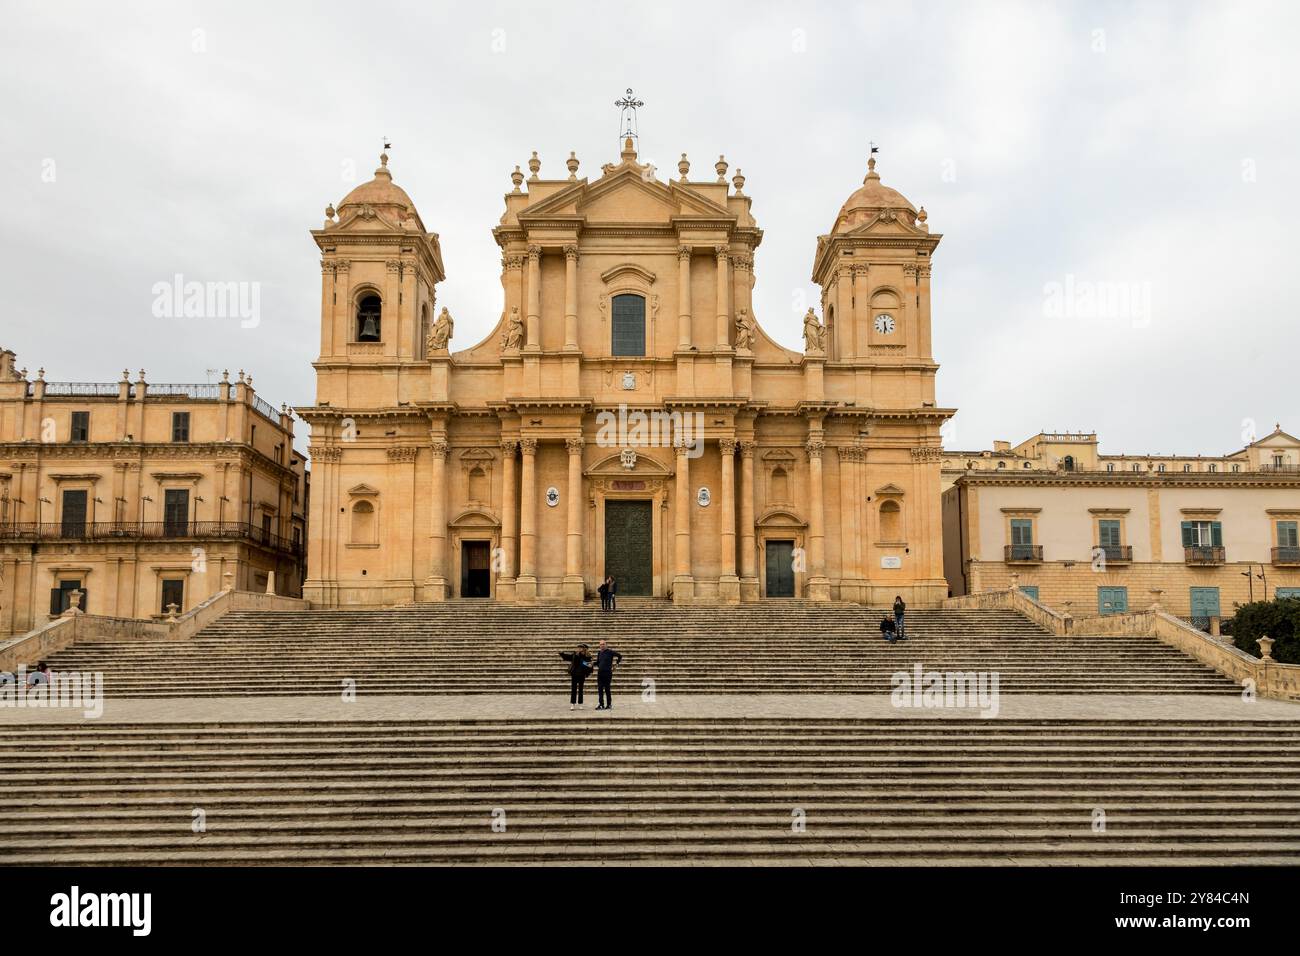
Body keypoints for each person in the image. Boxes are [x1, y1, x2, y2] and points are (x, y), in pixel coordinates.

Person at [559, 643, 593, 710]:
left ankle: (580, 704)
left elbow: (590, 665)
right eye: (579, 647)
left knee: (580, 690)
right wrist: (562, 654)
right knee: (573, 689)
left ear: (584, 648)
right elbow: (569, 657)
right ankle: (572, 704)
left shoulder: (588, 656)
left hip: (582, 675)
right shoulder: (575, 654)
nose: (579, 648)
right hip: (574, 674)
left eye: (581, 647)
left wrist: (589, 669)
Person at [593, 639, 623, 711]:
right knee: (600, 689)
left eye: (603, 644)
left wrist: (616, 664)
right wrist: (592, 664)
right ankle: (601, 704)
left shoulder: (610, 652)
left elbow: (620, 656)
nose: (602, 645)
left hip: (607, 673)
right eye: (600, 644)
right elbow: (598, 662)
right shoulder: (599, 652)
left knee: (607, 689)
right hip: (600, 673)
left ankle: (609, 704)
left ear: (606, 645)